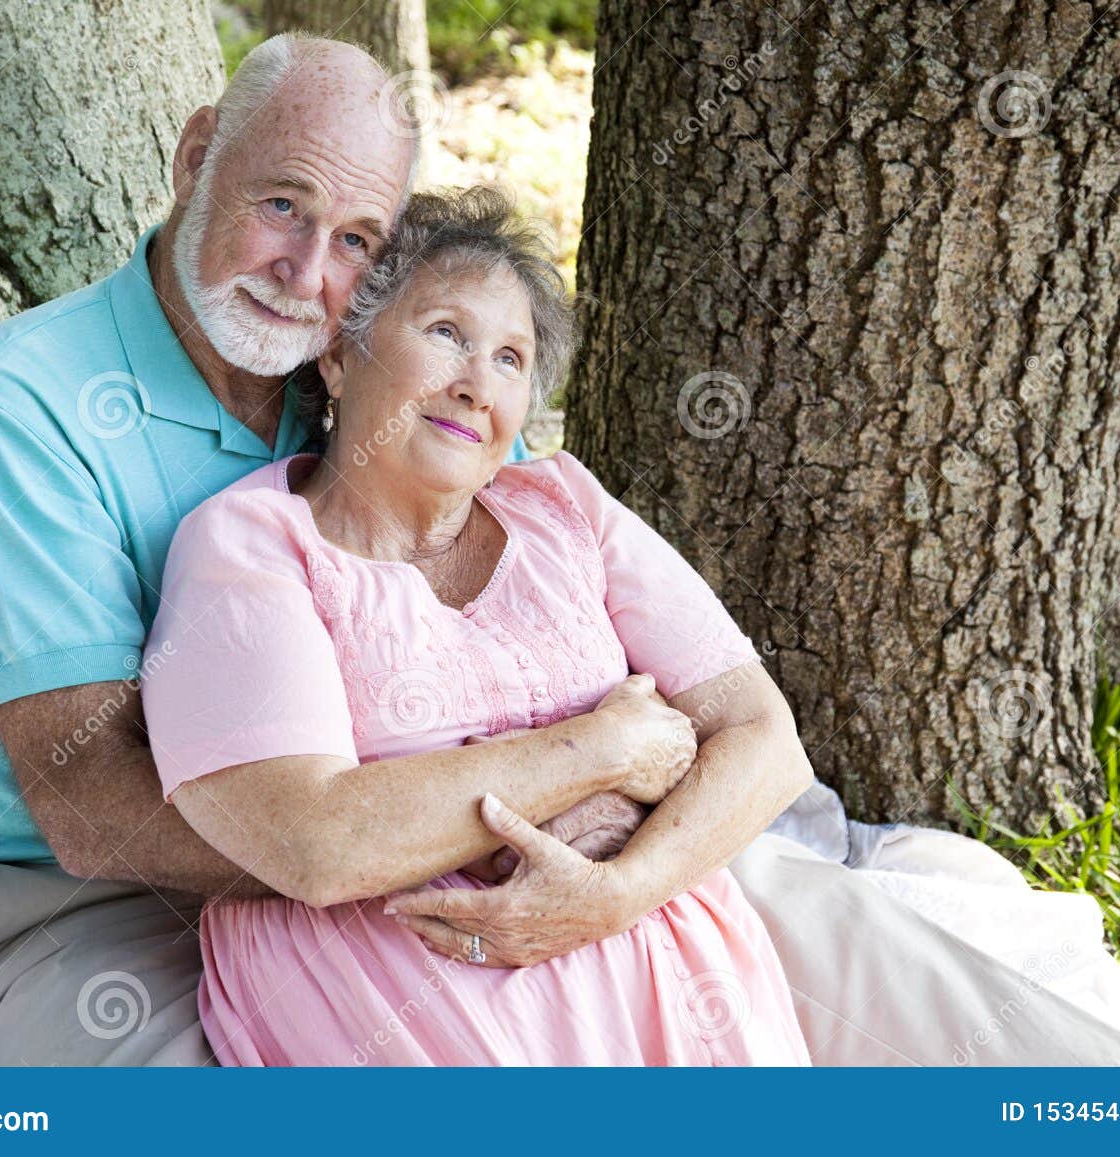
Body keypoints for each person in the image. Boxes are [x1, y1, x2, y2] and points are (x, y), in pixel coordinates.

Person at [0, 32, 1120, 1068]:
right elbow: (90, 807)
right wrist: (524, 807)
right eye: (278, 205)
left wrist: (616, 878)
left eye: (355, 240)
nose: (306, 272)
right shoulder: (21, 407)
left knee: (872, 967)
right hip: (98, 905)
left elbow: (644, 651)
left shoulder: (377, 375)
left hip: (523, 850)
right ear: (196, 159)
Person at [140, 186, 814, 1064]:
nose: (476, 383)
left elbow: (764, 735)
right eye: (448, 334)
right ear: (340, 357)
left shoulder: (566, 504)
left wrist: (615, 891)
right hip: (398, 994)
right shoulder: (252, 548)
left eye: (510, 357)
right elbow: (319, 844)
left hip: (660, 959)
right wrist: (601, 752)